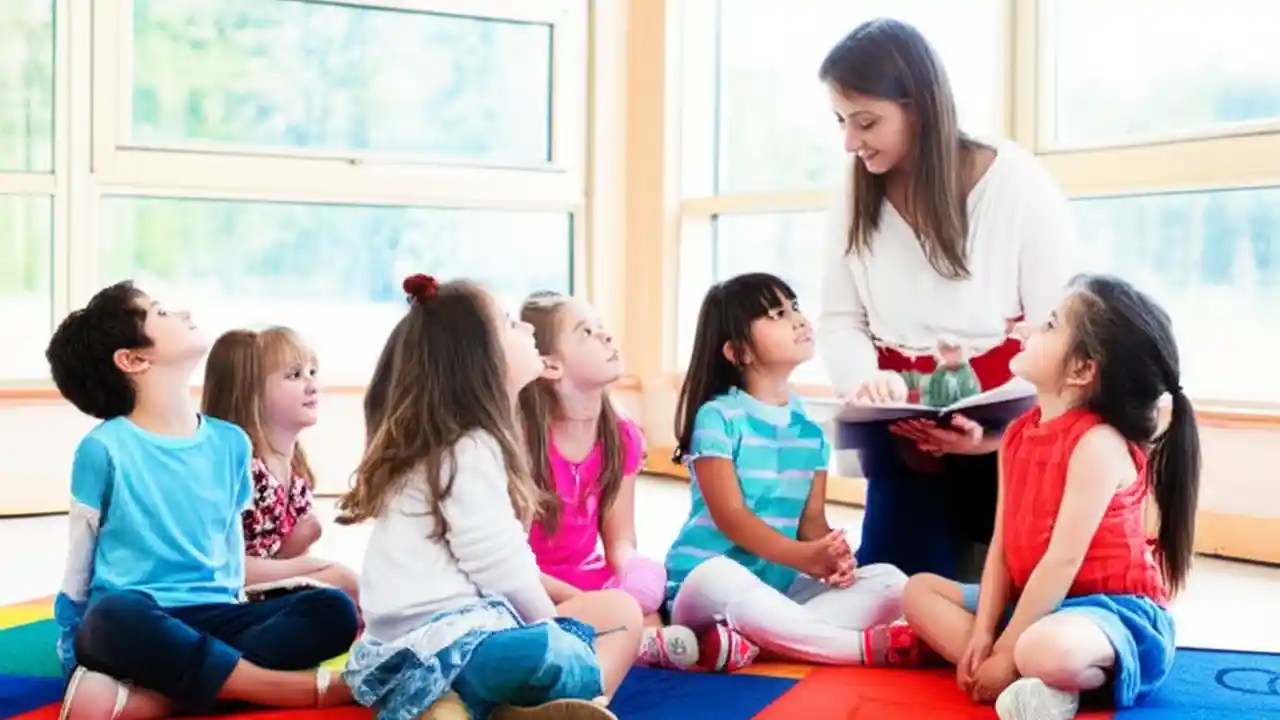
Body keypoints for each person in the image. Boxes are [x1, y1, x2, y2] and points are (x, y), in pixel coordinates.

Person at [816, 18, 1078, 581]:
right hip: (900, 424)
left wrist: (991, 439)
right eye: (840, 121)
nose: (849, 142)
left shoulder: (1015, 185)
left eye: (866, 122)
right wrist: (866, 380)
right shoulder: (853, 199)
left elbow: (1057, 330)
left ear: (921, 107)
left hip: (1006, 424)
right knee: (893, 594)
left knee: (1001, 596)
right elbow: (840, 320)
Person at [47, 281, 358, 720]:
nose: (183, 312)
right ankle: (291, 689)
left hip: (215, 615)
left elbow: (230, 559)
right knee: (110, 615)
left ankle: (155, 702)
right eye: (160, 312)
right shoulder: (103, 449)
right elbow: (78, 565)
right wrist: (72, 649)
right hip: (141, 618)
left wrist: (301, 578)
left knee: (332, 609)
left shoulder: (231, 443)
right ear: (134, 359)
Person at [337, 274, 642, 720]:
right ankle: (573, 705)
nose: (527, 329)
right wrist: (550, 625)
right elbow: (498, 564)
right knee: (568, 644)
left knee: (616, 611)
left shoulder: (449, 443)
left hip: (406, 653)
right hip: (456, 644)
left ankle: (462, 709)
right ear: (479, 358)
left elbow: (497, 567)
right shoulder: (472, 446)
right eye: (508, 324)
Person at [902, 274, 1197, 719]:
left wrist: (1006, 649)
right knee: (917, 591)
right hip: (1035, 604)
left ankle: (1037, 671)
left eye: (1051, 325)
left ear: (1081, 370)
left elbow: (1062, 561)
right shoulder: (1018, 434)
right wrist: (984, 633)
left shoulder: (1098, 444)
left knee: (1044, 648)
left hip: (1109, 614)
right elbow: (1001, 543)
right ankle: (1029, 678)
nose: (1027, 328)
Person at [664, 272, 919, 672]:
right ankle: (859, 649)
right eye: (777, 314)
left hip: (778, 592)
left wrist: (832, 557)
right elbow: (730, 517)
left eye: (795, 308)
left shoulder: (810, 431)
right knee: (721, 576)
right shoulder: (718, 417)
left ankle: (750, 642)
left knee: (893, 583)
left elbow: (811, 522)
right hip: (703, 590)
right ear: (738, 353)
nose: (799, 319)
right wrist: (805, 557)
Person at [519, 292, 699, 669]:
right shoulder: (520, 442)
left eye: (602, 329)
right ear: (550, 365)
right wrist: (596, 605)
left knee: (645, 607)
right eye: (586, 332)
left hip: (586, 578)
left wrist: (632, 574)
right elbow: (509, 563)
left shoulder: (622, 436)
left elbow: (619, 538)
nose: (606, 338)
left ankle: (629, 640)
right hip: (529, 583)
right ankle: (624, 644)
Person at [202, 327, 359, 601]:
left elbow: (272, 558)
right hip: (230, 602)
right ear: (251, 391)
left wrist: (296, 545)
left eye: (312, 372)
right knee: (345, 584)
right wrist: (303, 566)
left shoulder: (297, 479)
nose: (311, 385)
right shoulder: (241, 471)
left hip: (267, 595)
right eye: (294, 375)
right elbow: (226, 564)